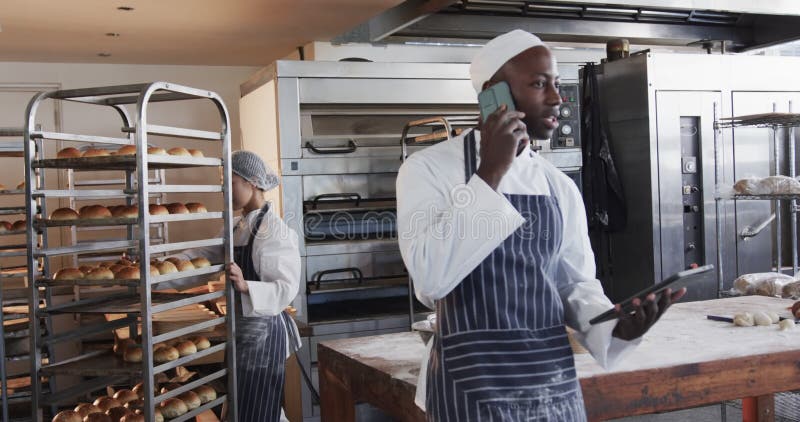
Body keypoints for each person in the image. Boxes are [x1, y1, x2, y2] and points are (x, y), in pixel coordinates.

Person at [396, 30, 686, 421]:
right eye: (538, 84)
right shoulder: (428, 169)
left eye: (556, 83)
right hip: (470, 390)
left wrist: (616, 329)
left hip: (551, 388)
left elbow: (575, 285)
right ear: (493, 96)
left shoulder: (557, 185)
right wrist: (491, 174)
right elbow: (430, 281)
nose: (556, 97)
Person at [163, 150, 301, 422]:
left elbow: (286, 288)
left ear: (252, 183)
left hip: (263, 334)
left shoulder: (274, 229)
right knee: (244, 409)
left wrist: (246, 285)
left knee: (258, 411)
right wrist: (154, 268)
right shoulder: (238, 227)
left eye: (231, 184)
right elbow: (199, 260)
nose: (225, 191)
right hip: (240, 330)